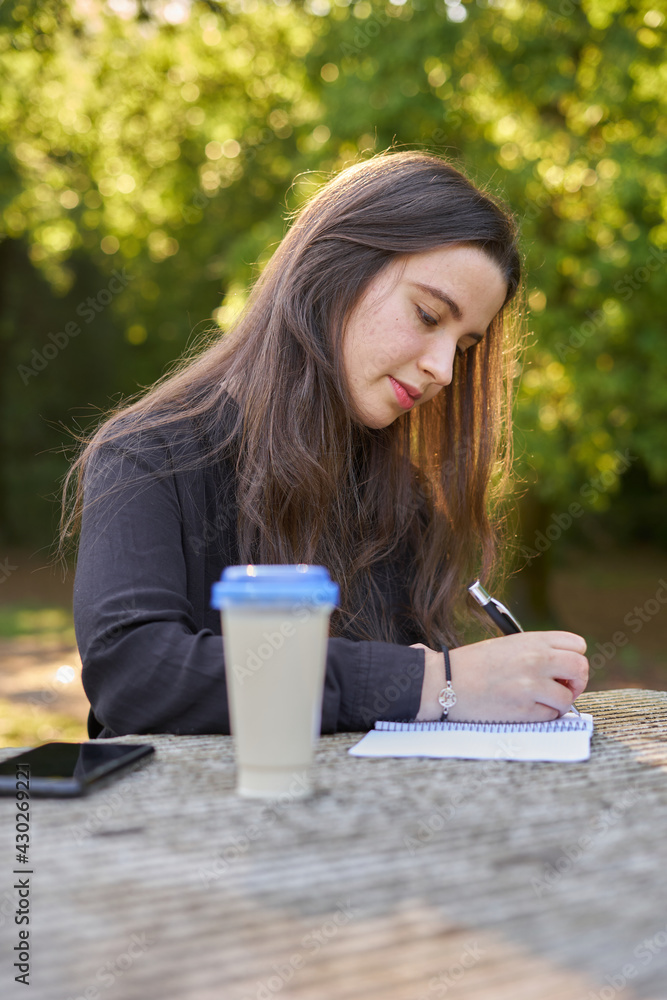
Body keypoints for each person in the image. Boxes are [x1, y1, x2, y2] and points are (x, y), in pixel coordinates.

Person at [61, 150, 589, 739]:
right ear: (336, 266)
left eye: (463, 346)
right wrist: (434, 679)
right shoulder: (150, 457)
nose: (442, 369)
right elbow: (136, 676)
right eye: (427, 314)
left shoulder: (403, 498)